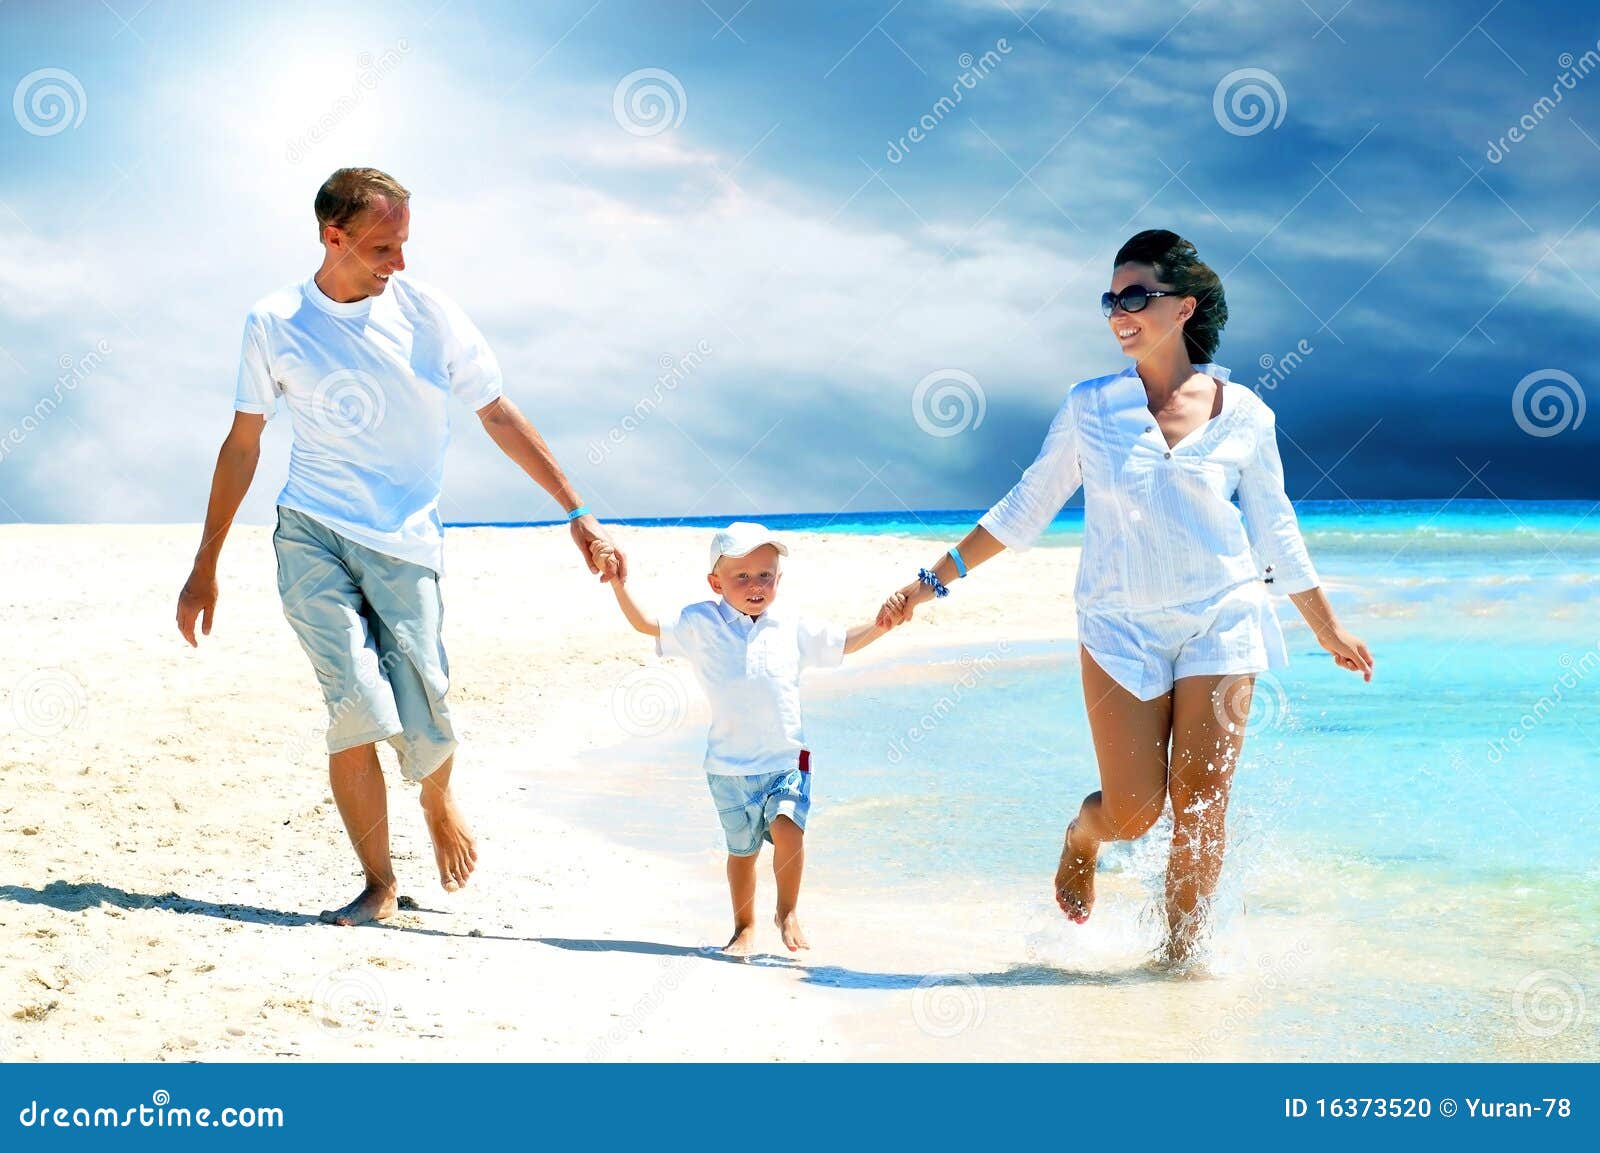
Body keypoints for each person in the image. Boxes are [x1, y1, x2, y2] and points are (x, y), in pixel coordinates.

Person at [879, 229, 1373, 964]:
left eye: (1135, 296)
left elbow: (1277, 533)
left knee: (1202, 808)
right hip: (1119, 627)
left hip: (1223, 619)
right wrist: (930, 582)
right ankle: (1083, 835)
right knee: (1137, 811)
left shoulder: (1247, 415)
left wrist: (1327, 628)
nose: (1119, 312)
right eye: (1111, 299)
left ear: (1184, 308)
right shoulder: (1091, 407)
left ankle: (1178, 968)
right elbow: (1024, 509)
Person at [175, 167, 623, 926]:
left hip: (407, 540)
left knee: (424, 707)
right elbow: (245, 442)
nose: (400, 263)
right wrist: (204, 563)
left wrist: (575, 508)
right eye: (384, 246)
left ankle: (438, 799)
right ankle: (379, 883)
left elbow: (498, 413)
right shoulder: (275, 321)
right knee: (354, 704)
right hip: (311, 529)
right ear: (334, 236)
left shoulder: (428, 315)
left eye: (405, 243)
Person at [596, 522, 893, 954]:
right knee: (742, 853)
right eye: (742, 576)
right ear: (716, 582)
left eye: (766, 575)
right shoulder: (700, 622)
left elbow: (843, 642)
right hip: (728, 769)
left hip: (787, 759)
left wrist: (881, 625)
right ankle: (744, 926)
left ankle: (787, 911)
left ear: (779, 579)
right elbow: (645, 624)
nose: (756, 585)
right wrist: (620, 585)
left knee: (790, 830)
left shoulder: (791, 626)